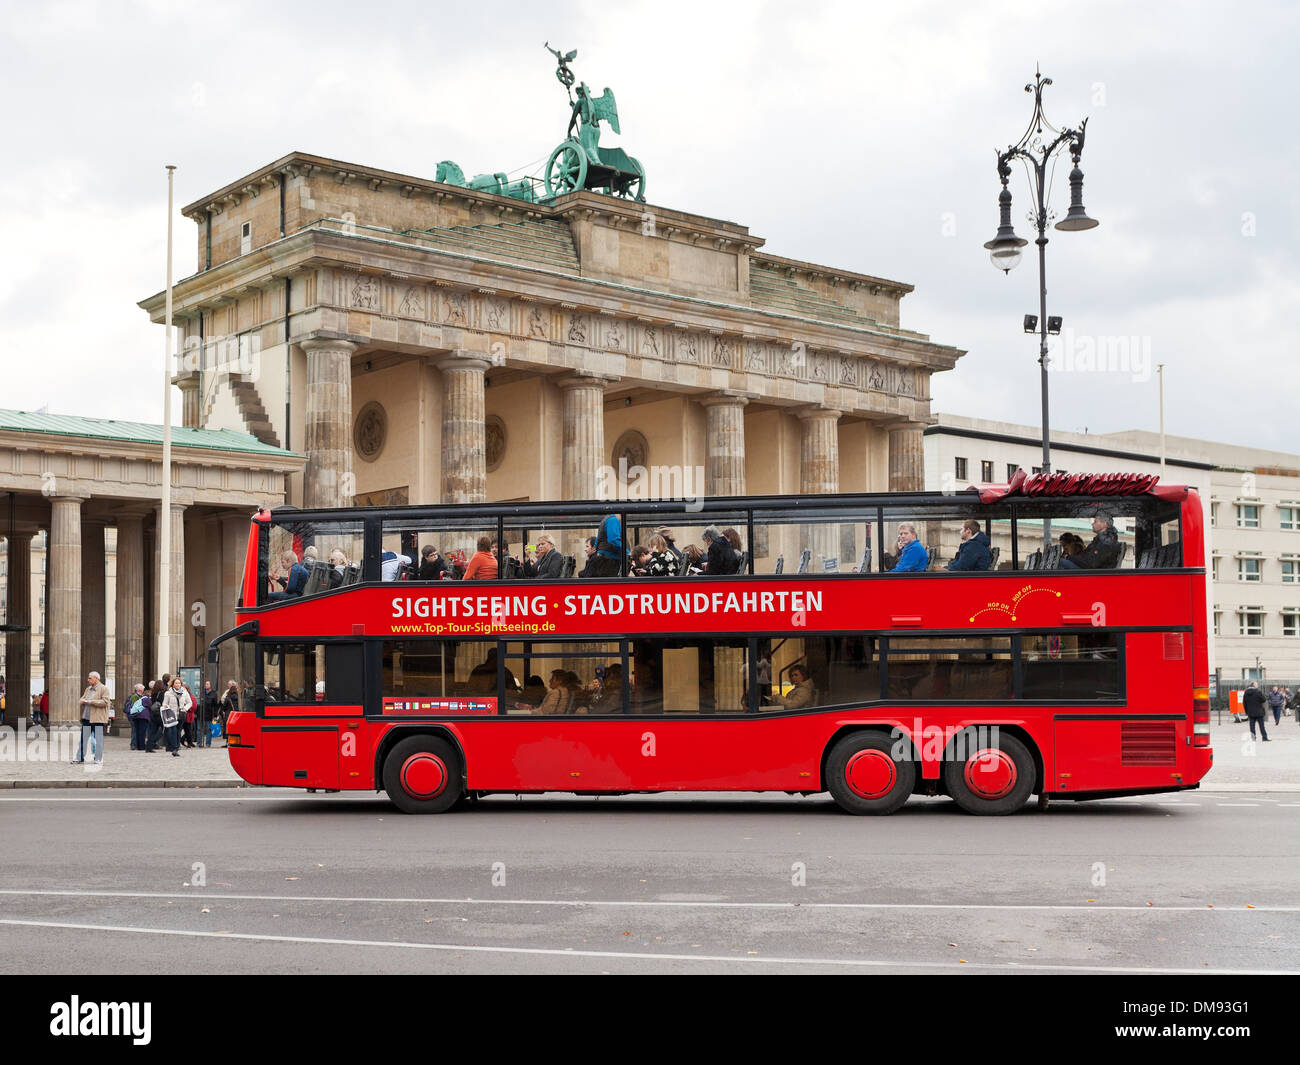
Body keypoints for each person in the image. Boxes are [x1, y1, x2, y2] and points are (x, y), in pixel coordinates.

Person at [72, 670, 112, 765]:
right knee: (83, 740)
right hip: (86, 718)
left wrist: (91, 702)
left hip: (97, 719)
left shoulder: (104, 689)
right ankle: (79, 758)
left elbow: (105, 702)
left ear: (96, 679)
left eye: (90, 678)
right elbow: (82, 698)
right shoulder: (88, 689)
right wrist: (82, 701)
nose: (88, 680)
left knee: (98, 740)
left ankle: (98, 759)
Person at [160, 676, 192, 757]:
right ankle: (174, 748)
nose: (177, 684)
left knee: (178, 731)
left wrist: (185, 708)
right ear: (173, 684)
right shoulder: (168, 693)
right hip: (172, 714)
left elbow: (189, 702)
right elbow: (164, 703)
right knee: (173, 731)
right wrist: (166, 706)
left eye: (179, 683)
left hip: (181, 714)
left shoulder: (184, 692)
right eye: (176, 683)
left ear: (181, 684)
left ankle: (176, 747)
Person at [125, 683, 151, 751]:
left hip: (138, 716)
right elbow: (135, 706)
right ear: (140, 690)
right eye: (142, 689)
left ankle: (137, 745)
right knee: (136, 731)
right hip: (137, 716)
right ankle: (135, 745)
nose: (143, 690)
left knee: (138, 731)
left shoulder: (140, 696)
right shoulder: (135, 696)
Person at [144, 679, 166, 753]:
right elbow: (162, 703)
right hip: (159, 714)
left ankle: (148, 747)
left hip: (153, 714)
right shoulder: (162, 693)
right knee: (166, 729)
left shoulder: (153, 693)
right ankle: (171, 746)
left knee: (152, 732)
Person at [220, 680, 240, 746]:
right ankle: (234, 742)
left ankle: (228, 742)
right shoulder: (237, 697)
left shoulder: (228, 697)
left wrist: (223, 711)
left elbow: (224, 706)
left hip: (228, 715)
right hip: (235, 715)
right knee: (234, 729)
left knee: (228, 729)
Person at [199, 681, 218, 747]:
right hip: (201, 713)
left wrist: (215, 715)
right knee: (200, 729)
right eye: (205, 684)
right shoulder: (202, 693)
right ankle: (199, 743)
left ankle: (208, 743)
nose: (206, 685)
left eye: (207, 684)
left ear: (210, 685)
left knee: (209, 729)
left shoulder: (213, 694)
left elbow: (215, 705)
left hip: (209, 714)